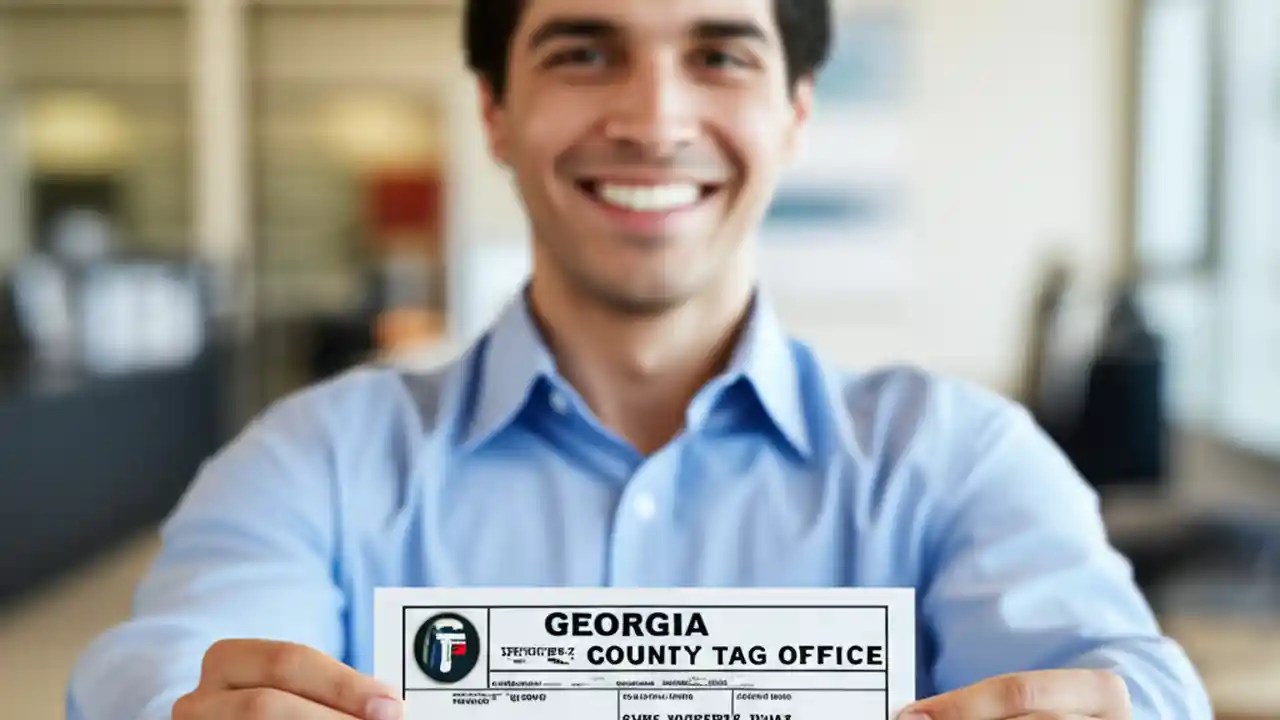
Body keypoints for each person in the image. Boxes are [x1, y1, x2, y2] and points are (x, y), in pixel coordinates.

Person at [69, 0, 1211, 718]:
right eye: (583, 50)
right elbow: (158, 665)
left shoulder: (955, 458)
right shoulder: (311, 458)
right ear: (495, 113)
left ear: (794, 113)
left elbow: (1143, 682)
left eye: (717, 54)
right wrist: (191, 707)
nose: (653, 118)